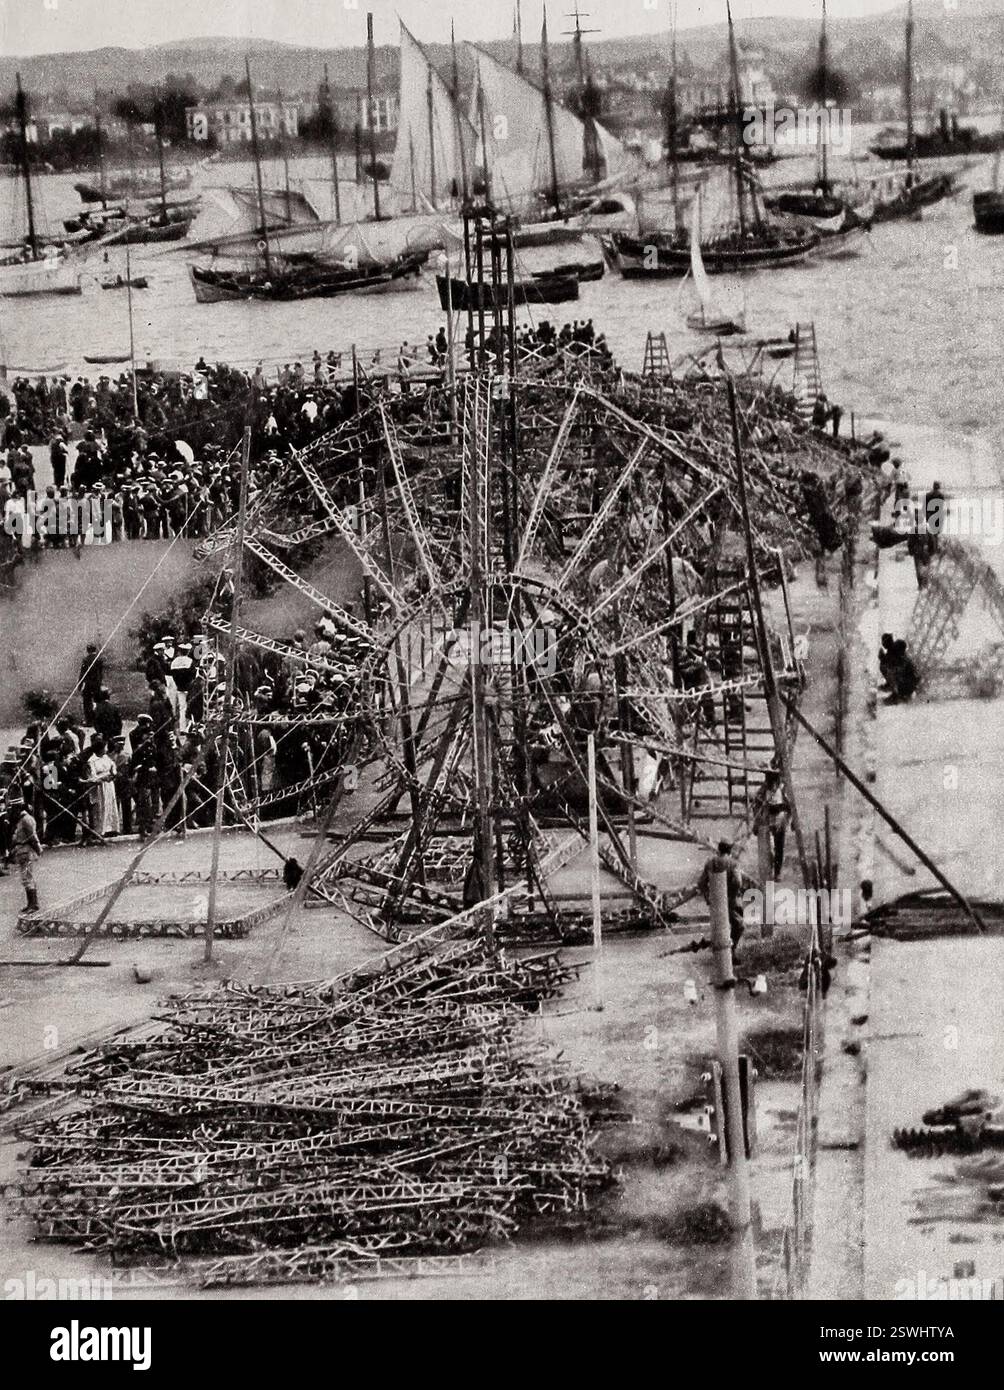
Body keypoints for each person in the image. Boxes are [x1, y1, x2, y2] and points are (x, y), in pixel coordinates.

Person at [698, 840, 745, 949]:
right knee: (739, 925)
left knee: (722, 926)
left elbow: (701, 883)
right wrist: (732, 895)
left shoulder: (710, 862)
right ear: (730, 850)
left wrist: (707, 896)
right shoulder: (733, 863)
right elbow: (738, 882)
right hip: (729, 901)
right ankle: (731, 952)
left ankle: (723, 949)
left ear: (719, 849)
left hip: (715, 900)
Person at [8, 794, 42, 912]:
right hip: (21, 852)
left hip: (26, 852)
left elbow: (32, 837)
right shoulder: (20, 819)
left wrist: (38, 848)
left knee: (28, 878)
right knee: (25, 878)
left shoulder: (26, 819)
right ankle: (31, 903)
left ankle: (33, 904)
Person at [86, 737, 120, 838]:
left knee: (110, 805)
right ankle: (100, 830)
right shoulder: (92, 761)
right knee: (100, 807)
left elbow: (112, 766)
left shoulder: (106, 758)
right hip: (99, 786)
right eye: (104, 747)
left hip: (109, 785)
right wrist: (103, 778)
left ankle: (111, 828)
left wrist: (113, 773)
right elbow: (92, 776)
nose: (106, 749)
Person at [79, 643, 104, 724]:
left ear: (88, 650)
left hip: (88, 684)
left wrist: (80, 685)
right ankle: (98, 720)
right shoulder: (99, 659)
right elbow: (100, 673)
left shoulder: (86, 659)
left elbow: (82, 674)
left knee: (87, 702)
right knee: (98, 702)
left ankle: (89, 720)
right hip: (97, 684)